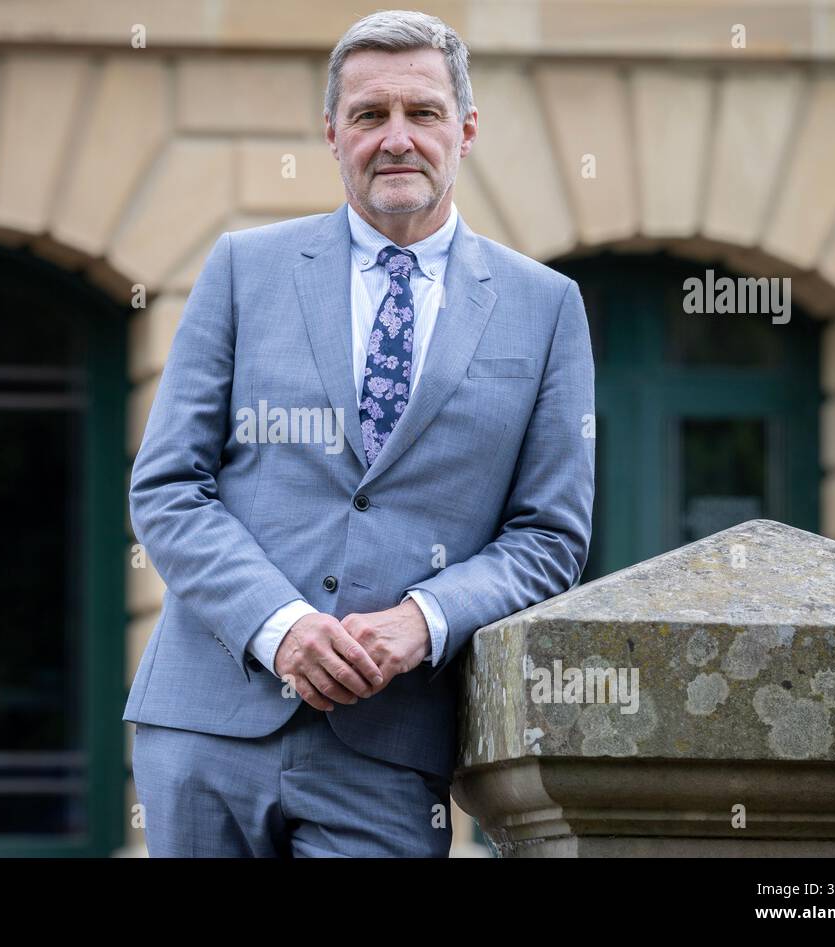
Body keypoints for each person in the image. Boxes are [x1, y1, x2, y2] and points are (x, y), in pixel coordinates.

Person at [123, 8, 595, 857]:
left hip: (390, 748)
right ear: (332, 133)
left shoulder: (547, 307)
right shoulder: (242, 269)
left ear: (467, 129)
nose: (397, 138)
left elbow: (549, 533)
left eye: (423, 113)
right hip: (206, 725)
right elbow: (167, 487)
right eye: (370, 115)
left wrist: (425, 618)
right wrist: (281, 626)